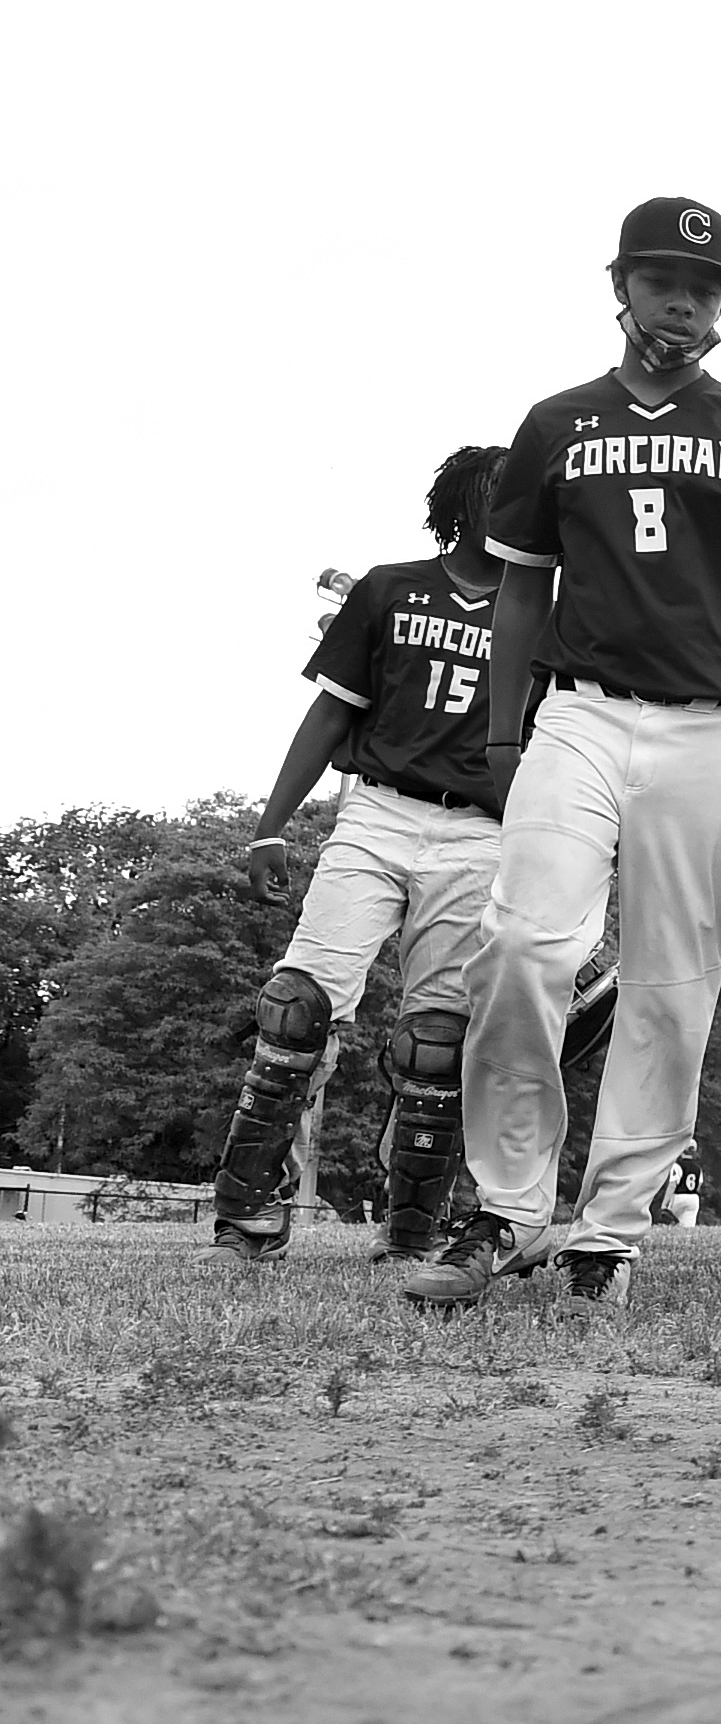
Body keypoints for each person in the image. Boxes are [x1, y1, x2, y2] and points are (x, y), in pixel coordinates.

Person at [405, 197, 721, 1314]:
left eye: (704, 287)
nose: (682, 300)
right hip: (581, 714)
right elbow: (519, 591)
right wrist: (504, 733)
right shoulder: (557, 423)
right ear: (621, 286)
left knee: (671, 981)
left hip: (715, 722)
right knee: (521, 945)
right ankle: (500, 1206)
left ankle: (607, 1233)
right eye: (661, 280)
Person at [195, 445, 510, 1269]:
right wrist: (270, 826)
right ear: (465, 504)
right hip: (377, 809)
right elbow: (331, 713)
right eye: (503, 494)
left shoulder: (553, 612)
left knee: (437, 1036)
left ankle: (412, 1230)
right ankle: (245, 1213)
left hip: (486, 830)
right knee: (297, 1002)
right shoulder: (389, 587)